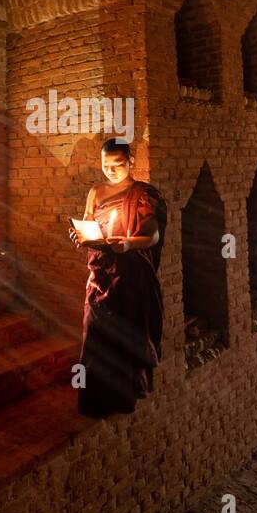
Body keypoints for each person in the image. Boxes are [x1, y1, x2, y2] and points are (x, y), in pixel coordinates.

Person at [67, 138, 167, 417]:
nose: (110, 170)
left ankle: (122, 396)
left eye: (117, 165)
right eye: (105, 165)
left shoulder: (143, 194)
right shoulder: (96, 191)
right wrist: (81, 235)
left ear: (129, 161)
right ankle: (94, 401)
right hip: (100, 273)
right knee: (96, 332)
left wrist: (127, 244)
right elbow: (89, 223)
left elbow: (153, 235)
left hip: (129, 276)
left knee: (124, 334)